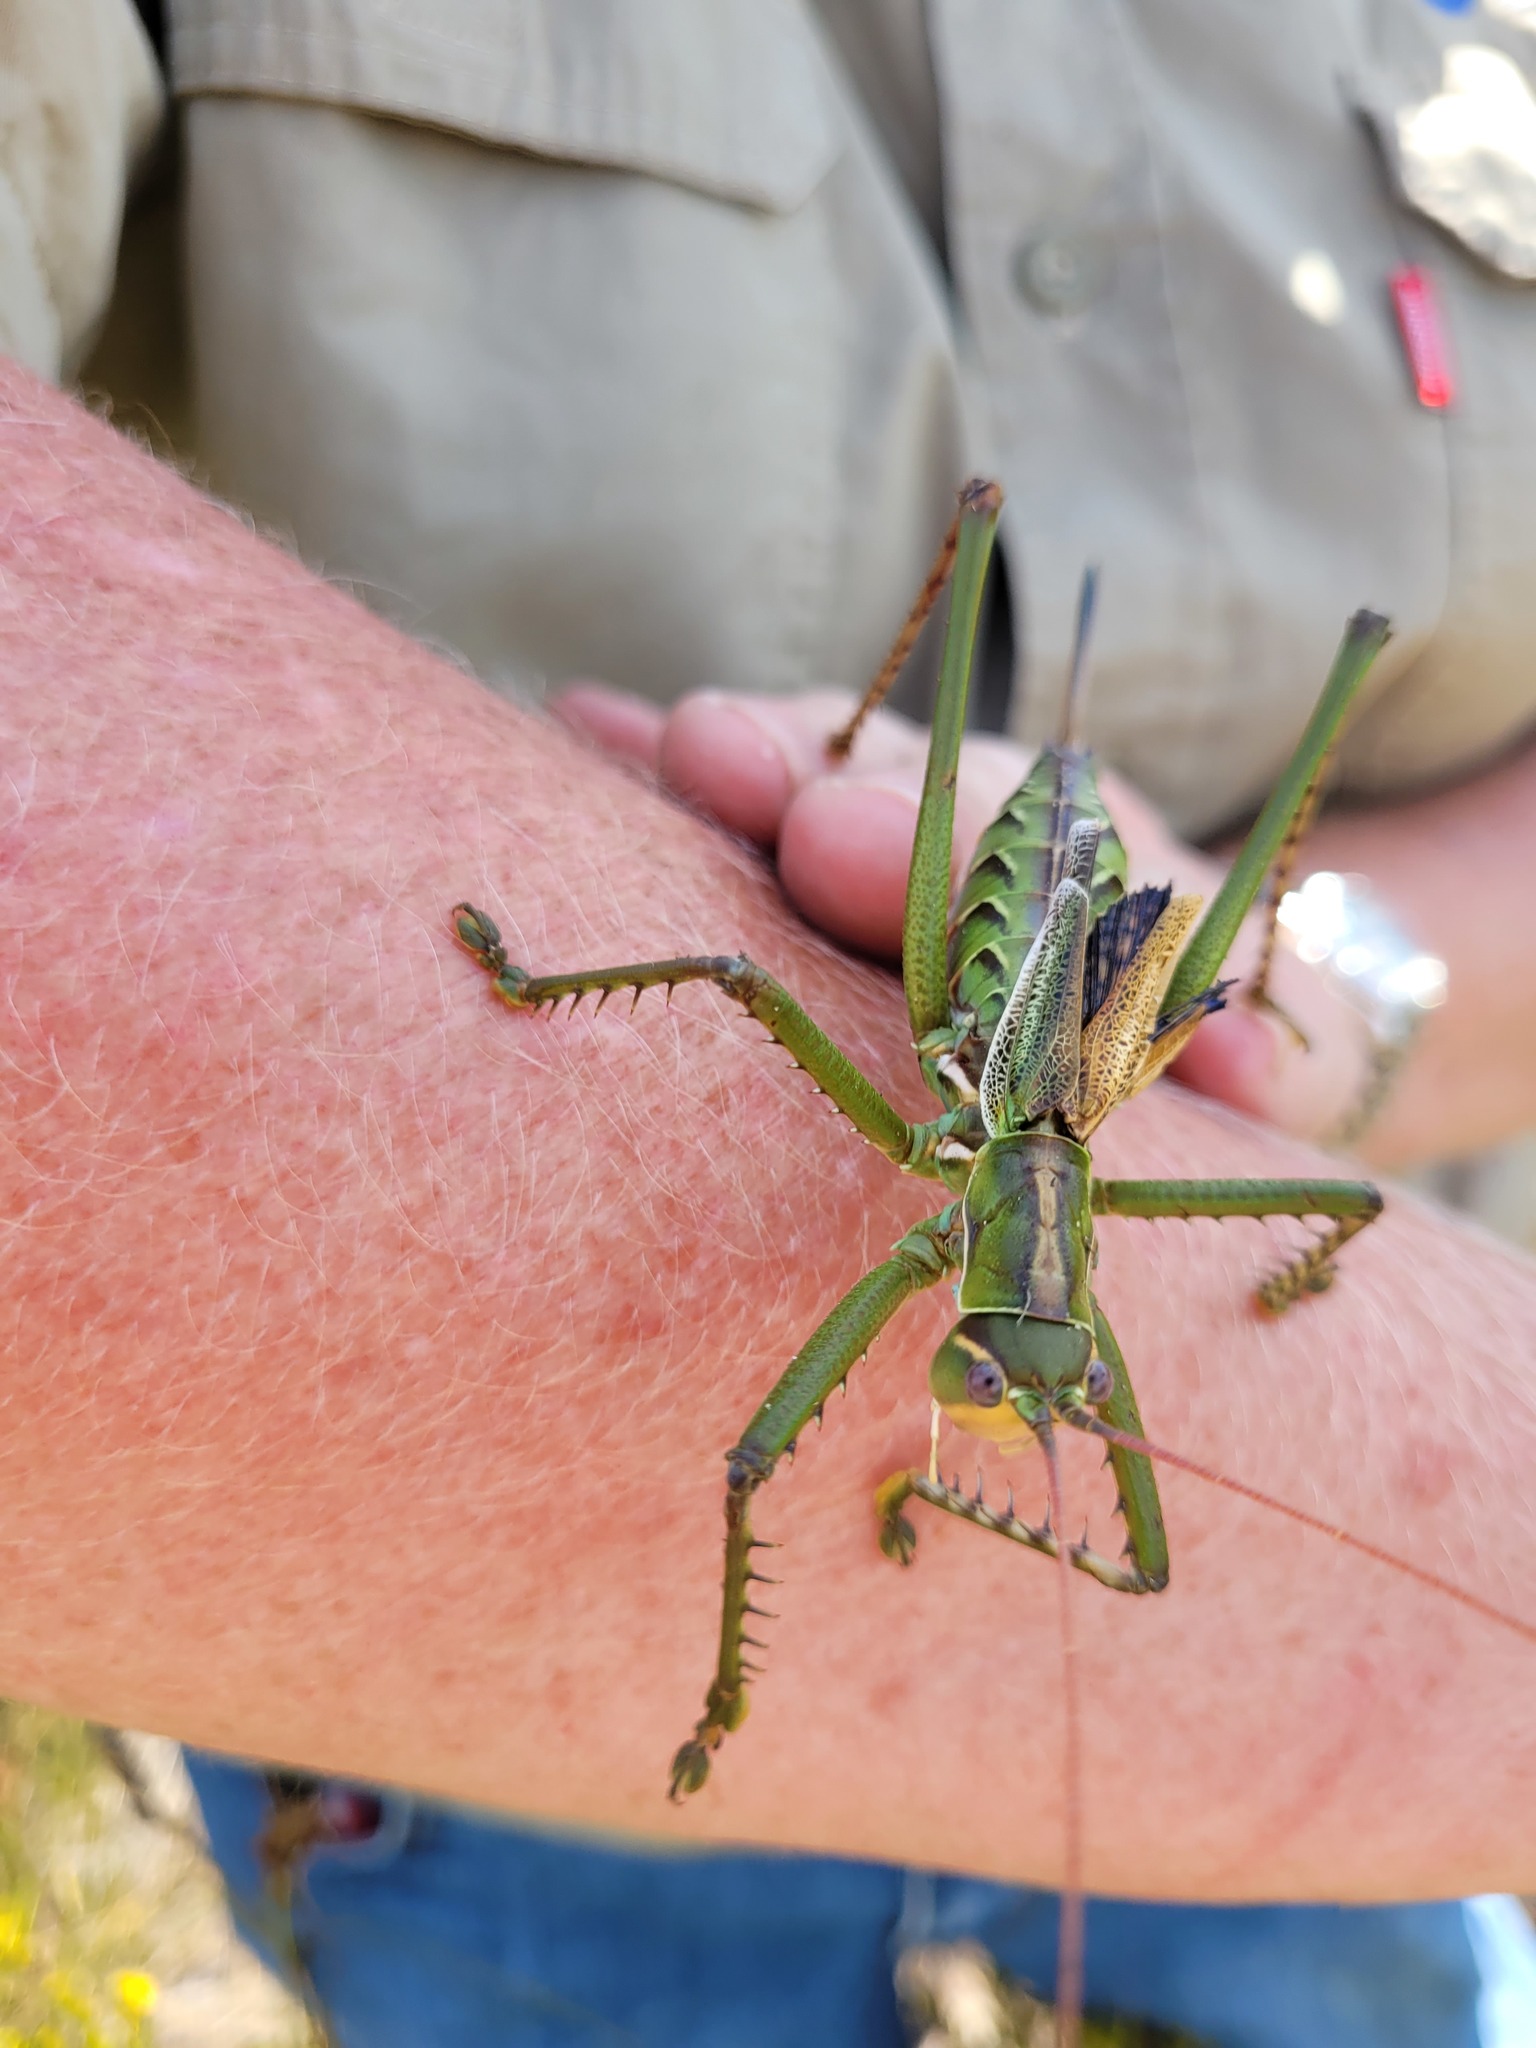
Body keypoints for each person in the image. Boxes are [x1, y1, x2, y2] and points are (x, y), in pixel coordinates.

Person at [4, 0, 1536, 2041]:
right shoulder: (956, 1172)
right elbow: (742, 998)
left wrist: (1333, 995)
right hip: (527, 1785)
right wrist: (554, 971)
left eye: (1031, 1346)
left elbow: (1277, 1316)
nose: (1039, 1347)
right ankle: (849, 736)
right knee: (766, 1337)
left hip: (1319, 1776)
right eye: (1038, 1340)